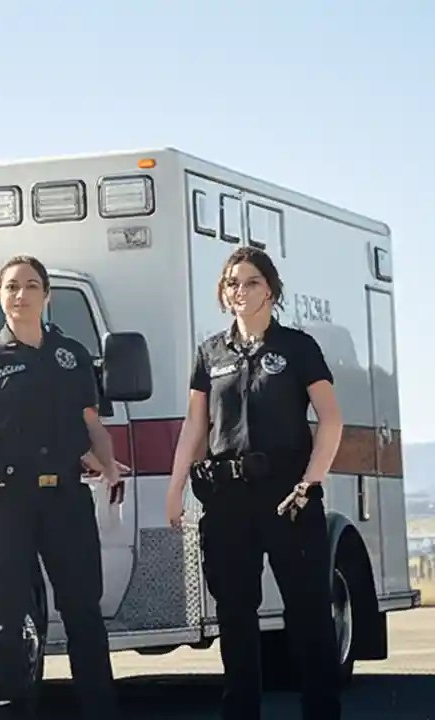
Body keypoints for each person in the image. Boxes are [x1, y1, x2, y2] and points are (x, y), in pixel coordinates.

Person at [166, 246, 344, 720]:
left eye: (250, 282)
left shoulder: (298, 347)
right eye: (232, 284)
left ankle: (322, 711)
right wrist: (175, 486)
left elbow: (331, 421)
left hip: (288, 495)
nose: (240, 291)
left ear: (271, 289)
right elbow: (195, 427)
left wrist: (310, 483)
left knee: (307, 616)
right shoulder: (210, 353)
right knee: (235, 618)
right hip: (227, 500)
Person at [0, 254, 124, 720]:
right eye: (11, 286)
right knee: (4, 616)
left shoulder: (72, 356)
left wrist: (108, 466)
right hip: (5, 500)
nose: (20, 295)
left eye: (30, 286)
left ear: (47, 295)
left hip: (66, 498)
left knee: (83, 611)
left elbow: (93, 424)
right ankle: (4, 710)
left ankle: (100, 708)